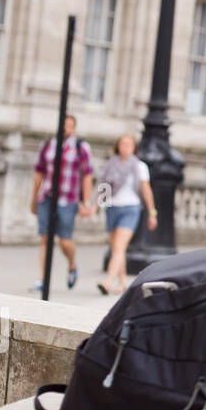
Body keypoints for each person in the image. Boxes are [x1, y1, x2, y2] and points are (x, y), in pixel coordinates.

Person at [29, 113, 95, 292]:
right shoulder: (47, 145)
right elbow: (39, 173)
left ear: (73, 128)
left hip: (69, 199)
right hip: (47, 197)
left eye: (69, 125)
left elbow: (88, 175)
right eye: (63, 125)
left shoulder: (81, 147)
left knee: (64, 241)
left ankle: (72, 265)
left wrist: (86, 202)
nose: (65, 128)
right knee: (45, 238)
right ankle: (43, 278)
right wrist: (34, 198)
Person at [97, 133, 157, 295]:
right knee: (118, 249)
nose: (125, 148)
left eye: (129, 145)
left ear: (134, 148)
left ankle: (108, 281)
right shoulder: (110, 164)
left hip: (130, 209)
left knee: (119, 246)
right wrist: (98, 206)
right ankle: (123, 282)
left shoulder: (139, 166)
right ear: (118, 146)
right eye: (123, 144)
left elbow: (146, 189)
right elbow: (104, 186)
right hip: (112, 208)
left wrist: (152, 212)